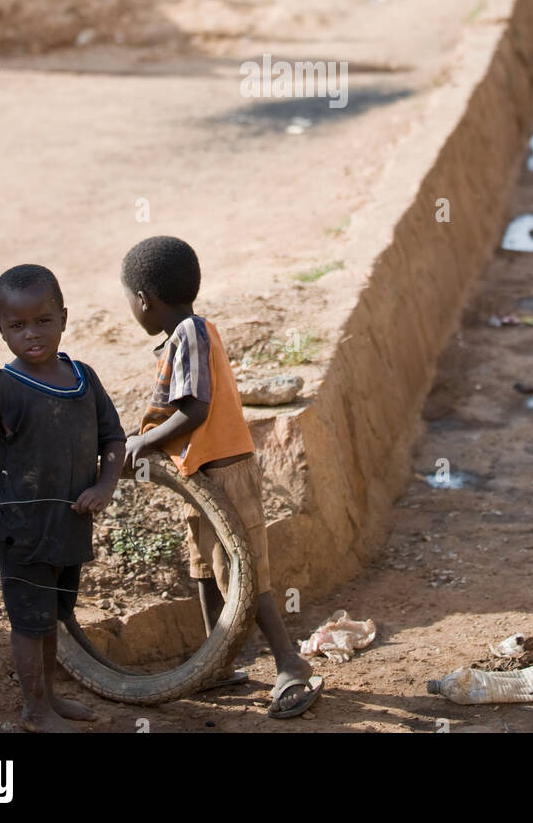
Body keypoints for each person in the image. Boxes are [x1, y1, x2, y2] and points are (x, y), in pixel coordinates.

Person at [121, 236, 323, 720]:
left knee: (243, 571)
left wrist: (144, 443)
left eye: (129, 300)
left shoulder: (192, 332)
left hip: (227, 471)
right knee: (206, 570)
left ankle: (289, 663)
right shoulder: (179, 338)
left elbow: (196, 408)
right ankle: (217, 662)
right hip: (201, 475)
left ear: (144, 300)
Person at [0, 264, 125, 734]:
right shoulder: (0, 388)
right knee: (28, 620)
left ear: (64, 318)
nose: (32, 334)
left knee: (53, 617)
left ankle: (49, 699)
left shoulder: (84, 377)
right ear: (0, 329)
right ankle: (34, 710)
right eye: (17, 326)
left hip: (71, 524)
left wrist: (104, 486)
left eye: (43, 321)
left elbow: (113, 439)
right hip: (24, 532)